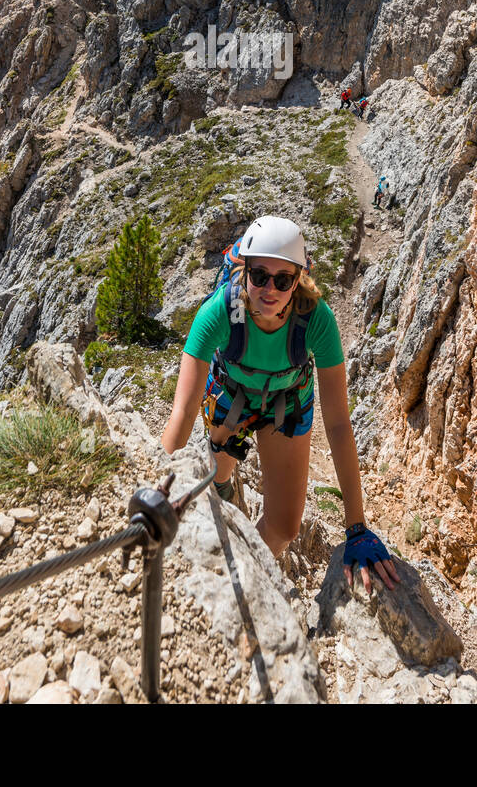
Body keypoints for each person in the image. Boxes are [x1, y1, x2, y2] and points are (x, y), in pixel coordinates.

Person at [161, 216, 399, 594]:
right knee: (219, 470)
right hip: (232, 397)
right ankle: (224, 485)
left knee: (285, 528)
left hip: (287, 405)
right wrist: (157, 488)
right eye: (259, 276)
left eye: (283, 279)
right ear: (245, 272)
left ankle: (238, 572)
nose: (269, 289)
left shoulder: (316, 320)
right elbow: (183, 411)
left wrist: (356, 526)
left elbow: (337, 424)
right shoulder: (220, 311)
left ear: (298, 279)